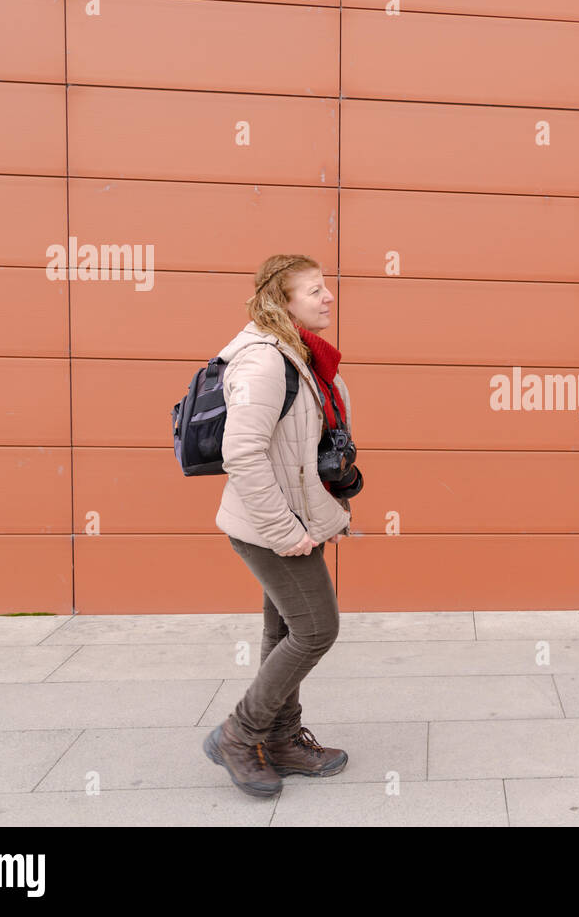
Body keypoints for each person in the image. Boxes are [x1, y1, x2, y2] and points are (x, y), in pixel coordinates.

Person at [202, 253, 357, 798]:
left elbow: (293, 449)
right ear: (281, 301)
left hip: (291, 516)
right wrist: (286, 531)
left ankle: (284, 740)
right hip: (270, 525)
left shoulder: (298, 356)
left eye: (325, 288)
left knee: (285, 629)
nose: (328, 297)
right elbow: (242, 454)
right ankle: (239, 736)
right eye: (314, 290)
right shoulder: (264, 361)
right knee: (317, 629)